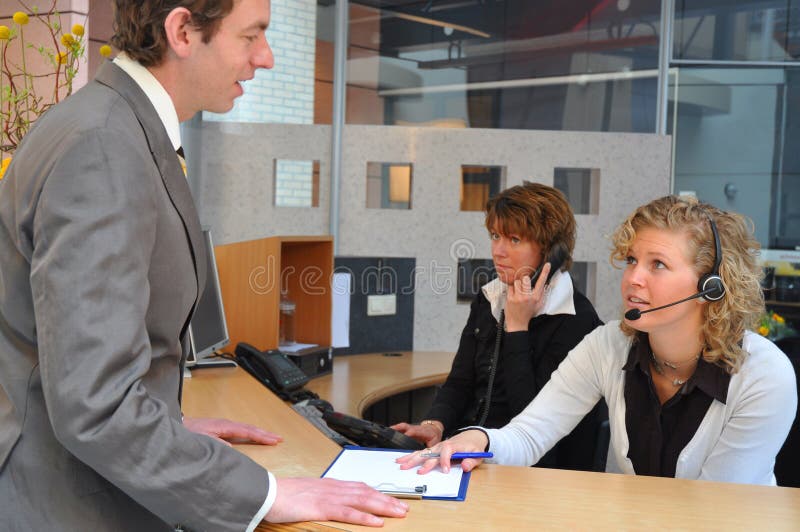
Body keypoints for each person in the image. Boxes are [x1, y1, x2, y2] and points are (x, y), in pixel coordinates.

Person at [0, 1, 407, 530]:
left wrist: (171, 423)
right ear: (183, 31)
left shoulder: (117, 127)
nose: (267, 58)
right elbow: (96, 404)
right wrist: (266, 494)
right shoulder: (103, 145)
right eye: (251, 36)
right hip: (66, 503)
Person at [400, 195, 797, 485]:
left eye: (657, 264)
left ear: (713, 286)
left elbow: (710, 507)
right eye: (631, 261)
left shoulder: (763, 374)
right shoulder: (608, 346)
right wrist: (479, 438)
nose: (633, 278)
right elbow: (529, 433)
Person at [392, 182, 605, 471]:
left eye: (514, 239)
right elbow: (460, 382)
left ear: (550, 251)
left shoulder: (576, 321)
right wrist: (435, 424)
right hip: (466, 454)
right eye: (495, 236)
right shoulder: (489, 298)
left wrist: (517, 328)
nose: (498, 251)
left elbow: (532, 426)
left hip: (525, 469)